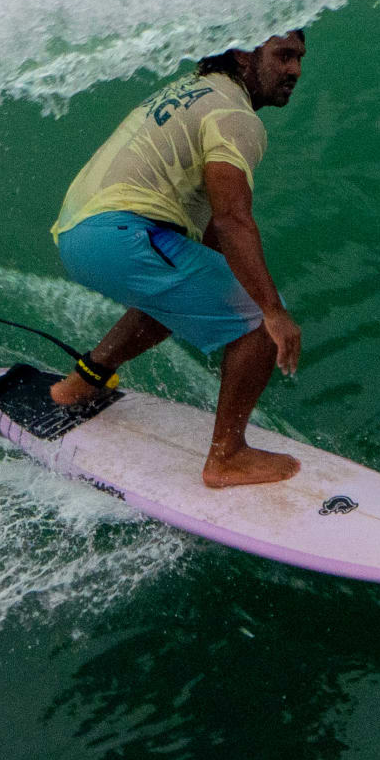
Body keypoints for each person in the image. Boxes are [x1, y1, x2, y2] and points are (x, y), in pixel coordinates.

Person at [47, 30, 307, 487]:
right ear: (244, 56)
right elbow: (232, 219)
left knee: (184, 290)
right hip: (123, 233)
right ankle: (227, 456)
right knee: (256, 322)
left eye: (300, 58)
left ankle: (82, 383)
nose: (295, 71)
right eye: (284, 56)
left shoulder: (192, 90)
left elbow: (211, 235)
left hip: (79, 231)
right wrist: (272, 310)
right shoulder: (235, 116)